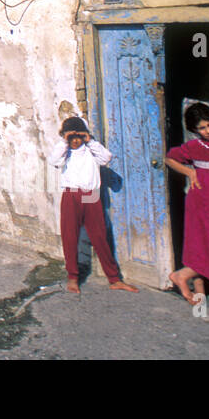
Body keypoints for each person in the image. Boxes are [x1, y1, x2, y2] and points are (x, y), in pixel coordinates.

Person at [49, 116, 139, 294]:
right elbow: (53, 160)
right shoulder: (65, 152)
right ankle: (73, 277)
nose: (75, 141)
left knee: (99, 236)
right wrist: (64, 141)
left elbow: (106, 158)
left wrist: (90, 140)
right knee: (70, 237)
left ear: (83, 136)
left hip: (90, 195)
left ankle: (114, 278)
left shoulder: (90, 150)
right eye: (71, 137)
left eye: (78, 137)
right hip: (71, 195)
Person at [165, 102, 209, 305]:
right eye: (202, 128)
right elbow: (170, 159)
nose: (208, 131)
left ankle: (190, 282)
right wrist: (190, 171)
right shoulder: (195, 147)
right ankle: (192, 285)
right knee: (201, 244)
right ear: (195, 131)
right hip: (200, 204)